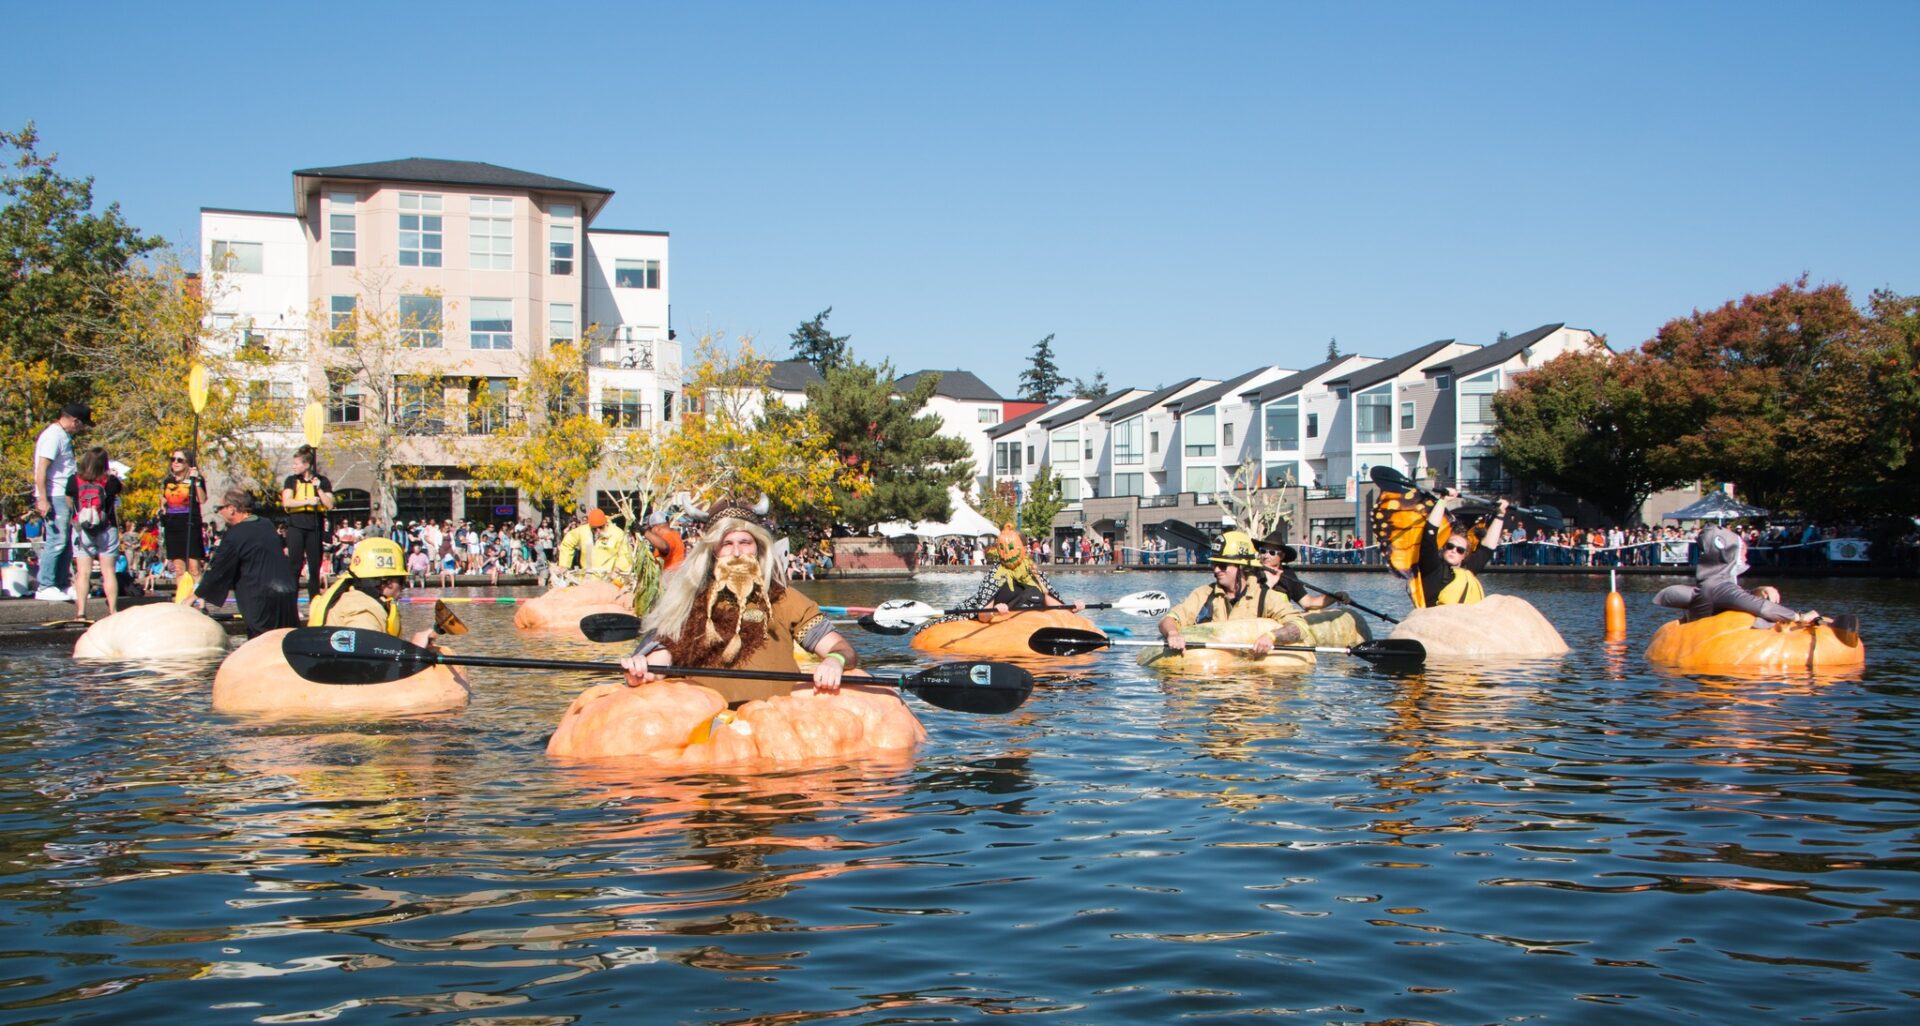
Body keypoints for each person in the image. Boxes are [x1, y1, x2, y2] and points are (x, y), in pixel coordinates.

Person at [619, 496, 858, 704]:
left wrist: (834, 662)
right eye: (727, 544)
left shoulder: (783, 599)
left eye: (745, 543)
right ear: (713, 552)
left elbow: (842, 648)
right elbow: (661, 659)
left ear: (758, 549)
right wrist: (643, 669)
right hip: (711, 729)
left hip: (779, 723)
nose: (736, 552)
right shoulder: (688, 603)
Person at [1158, 530, 1309, 655]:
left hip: (1252, 679)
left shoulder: (1266, 597)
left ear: (1242, 567)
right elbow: (1170, 618)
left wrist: (1272, 636)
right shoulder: (1203, 594)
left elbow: (1299, 626)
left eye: (1223, 565)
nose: (1216, 570)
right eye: (1214, 564)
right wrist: (1173, 633)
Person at [1653, 524, 1820, 625]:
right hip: (1716, 652)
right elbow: (1762, 608)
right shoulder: (1720, 588)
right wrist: (1799, 617)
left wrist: (1754, 591)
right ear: (1728, 555)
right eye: (1742, 551)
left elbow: (1734, 598)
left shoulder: (1709, 585)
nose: (1745, 556)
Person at [192, 489, 300, 637]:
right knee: (286, 642)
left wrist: (194, 596)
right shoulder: (266, 524)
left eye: (220, 508)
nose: (219, 512)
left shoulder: (235, 534)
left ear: (232, 509)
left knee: (261, 644)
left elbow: (218, 570)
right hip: (286, 596)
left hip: (261, 600)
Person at [308, 537, 435, 646]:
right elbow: (369, 663)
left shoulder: (354, 598)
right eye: (402, 581)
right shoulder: (363, 609)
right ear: (386, 581)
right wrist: (416, 649)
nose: (403, 588)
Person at [958, 524, 1084, 617]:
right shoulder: (995, 575)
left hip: (1034, 621)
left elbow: (1048, 598)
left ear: (1024, 548)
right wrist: (994, 611)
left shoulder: (1035, 572)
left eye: (1012, 547)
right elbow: (983, 614)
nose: (1008, 553)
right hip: (1005, 624)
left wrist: (1070, 609)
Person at [1410, 488, 1508, 607]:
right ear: (1444, 547)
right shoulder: (1432, 567)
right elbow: (1430, 532)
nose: (1453, 551)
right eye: (1450, 546)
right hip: (1433, 619)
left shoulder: (1468, 568)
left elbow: (1487, 547)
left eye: (1460, 550)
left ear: (1464, 555)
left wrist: (1500, 515)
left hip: (1460, 621)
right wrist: (1442, 501)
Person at [33, 403, 90, 600]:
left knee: (66, 541)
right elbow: (42, 468)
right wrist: (42, 498)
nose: (81, 430)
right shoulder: (53, 436)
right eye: (82, 425)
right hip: (54, 493)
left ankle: (62, 582)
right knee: (56, 540)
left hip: (63, 494)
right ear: (75, 421)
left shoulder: (63, 436)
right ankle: (46, 584)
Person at [65, 446, 122, 620]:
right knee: (108, 572)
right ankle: (112, 610)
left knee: (83, 572)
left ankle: (81, 612)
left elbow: (69, 503)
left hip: (82, 530)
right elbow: (118, 495)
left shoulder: (74, 480)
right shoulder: (111, 481)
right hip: (107, 528)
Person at [281, 445, 334, 599]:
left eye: (296, 464)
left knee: (314, 567)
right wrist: (307, 501)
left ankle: (314, 601)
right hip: (296, 526)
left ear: (306, 465)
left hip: (314, 527)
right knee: (295, 566)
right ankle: (290, 602)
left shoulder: (322, 481)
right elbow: (287, 502)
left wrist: (319, 490)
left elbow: (329, 505)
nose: (293, 466)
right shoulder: (291, 481)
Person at [1253, 530, 1347, 611]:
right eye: (1263, 551)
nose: (1265, 556)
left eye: (1272, 553)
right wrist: (1268, 584)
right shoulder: (1252, 571)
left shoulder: (1288, 574)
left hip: (1280, 620)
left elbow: (1308, 603)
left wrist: (1335, 597)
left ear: (1281, 556)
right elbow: (1249, 603)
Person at [159, 447, 209, 598]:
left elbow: (202, 500)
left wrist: (196, 482)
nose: (175, 463)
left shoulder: (196, 479)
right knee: (179, 568)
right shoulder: (168, 481)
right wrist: (162, 509)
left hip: (190, 524)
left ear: (188, 463)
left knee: (194, 567)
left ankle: (197, 600)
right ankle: (182, 599)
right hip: (173, 525)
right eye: (173, 459)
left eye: (180, 460)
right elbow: (163, 500)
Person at [555, 508, 635, 578]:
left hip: (608, 578)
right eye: (595, 528)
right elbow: (567, 544)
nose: (598, 531)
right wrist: (564, 565)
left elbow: (625, 554)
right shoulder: (582, 531)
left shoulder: (617, 533)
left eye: (601, 527)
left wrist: (617, 569)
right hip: (587, 578)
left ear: (606, 523)